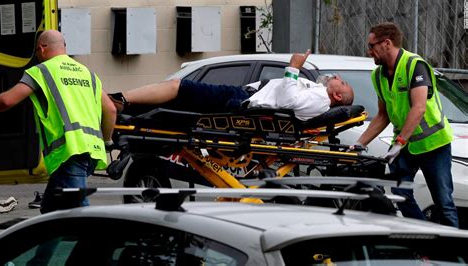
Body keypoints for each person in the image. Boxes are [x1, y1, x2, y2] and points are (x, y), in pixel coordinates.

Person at [0, 30, 117, 214]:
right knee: (50, 214)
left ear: (42, 48)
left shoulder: (42, 71)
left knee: (79, 216)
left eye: (36, 51)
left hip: (69, 153)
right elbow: (111, 109)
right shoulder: (88, 73)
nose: (37, 56)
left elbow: (6, 101)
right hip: (91, 152)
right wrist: (107, 141)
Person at [355, 22, 458, 227]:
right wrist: (359, 143)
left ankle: (455, 254)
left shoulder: (415, 65)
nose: (369, 52)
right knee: (400, 194)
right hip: (405, 145)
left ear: (386, 43)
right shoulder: (378, 75)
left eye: (372, 46)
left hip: (433, 144)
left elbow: (418, 108)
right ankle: (425, 239)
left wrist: (399, 142)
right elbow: (383, 115)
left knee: (443, 202)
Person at [110, 50, 354, 121]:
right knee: (176, 99)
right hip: (246, 96)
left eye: (340, 81)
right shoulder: (318, 93)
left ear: (338, 96)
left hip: (244, 101)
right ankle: (123, 108)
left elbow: (288, 101)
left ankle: (119, 100)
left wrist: (293, 67)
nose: (335, 77)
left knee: (177, 87)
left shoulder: (321, 98)